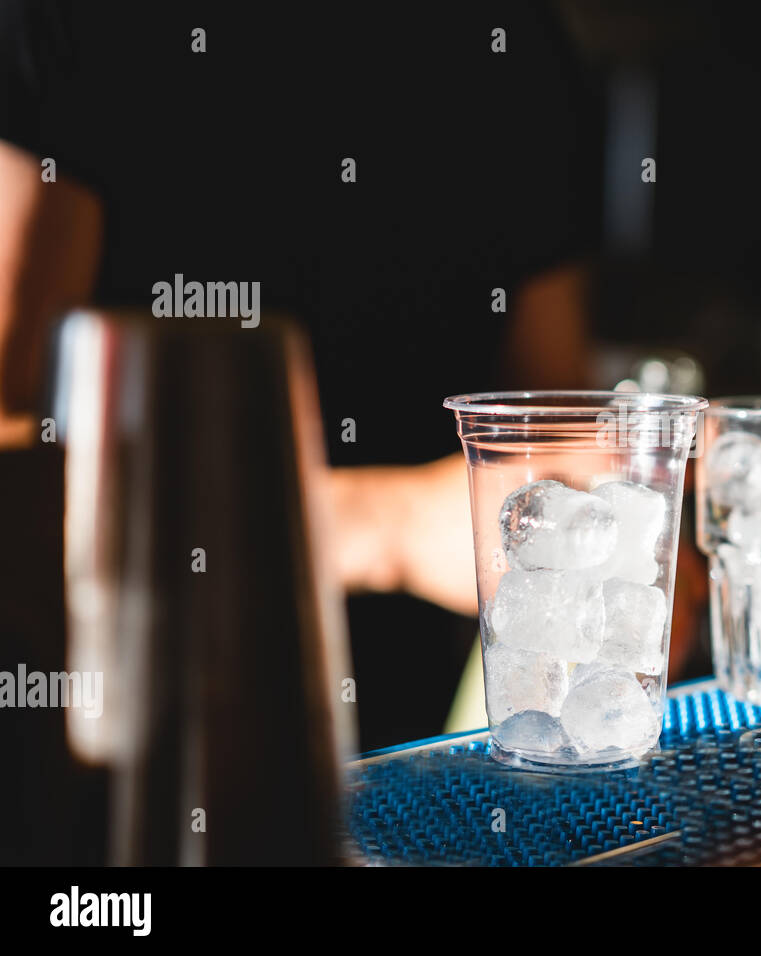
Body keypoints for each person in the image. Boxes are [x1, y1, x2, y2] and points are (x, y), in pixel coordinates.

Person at [0, 3, 600, 750]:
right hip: (125, 742)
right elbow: (14, 459)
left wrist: (622, 512)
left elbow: (552, 419)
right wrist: (393, 525)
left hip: (412, 756)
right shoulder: (70, 25)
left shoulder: (521, 48)